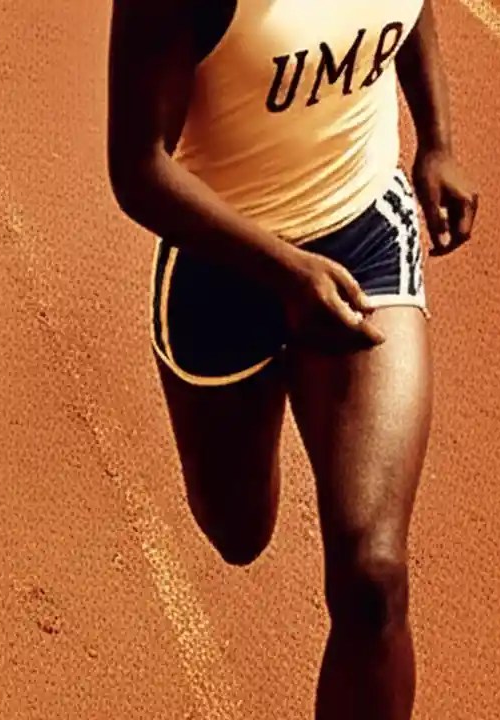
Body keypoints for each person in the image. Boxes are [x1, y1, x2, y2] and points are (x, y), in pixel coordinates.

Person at [105, 1, 479, 717]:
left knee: (374, 576)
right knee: (238, 532)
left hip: (364, 237)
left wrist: (437, 140)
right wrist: (284, 273)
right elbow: (138, 168)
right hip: (221, 267)